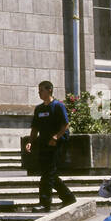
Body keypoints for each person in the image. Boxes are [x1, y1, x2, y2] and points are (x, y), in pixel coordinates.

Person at [26, 80, 76, 211]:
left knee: (47, 173)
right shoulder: (39, 109)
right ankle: (68, 197)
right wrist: (30, 142)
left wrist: (56, 137)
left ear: (49, 90)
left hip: (56, 144)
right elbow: (35, 128)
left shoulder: (58, 106)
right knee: (48, 173)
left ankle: (45, 203)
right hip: (43, 143)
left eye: (41, 90)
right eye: (39, 90)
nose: (39, 93)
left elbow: (65, 125)